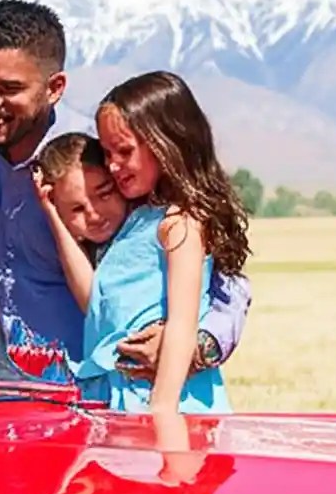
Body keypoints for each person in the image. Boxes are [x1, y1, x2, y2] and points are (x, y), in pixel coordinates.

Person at [0, 0, 251, 383]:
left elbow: (224, 280)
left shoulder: (101, 157)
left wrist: (196, 344)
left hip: (99, 389)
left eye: (9, 88)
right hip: (10, 386)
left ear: (55, 88)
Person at [59, 70, 252, 414]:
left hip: (160, 402)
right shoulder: (136, 220)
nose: (113, 166)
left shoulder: (179, 223)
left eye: (124, 151)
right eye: (106, 153)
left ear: (167, 143)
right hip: (121, 398)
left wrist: (161, 408)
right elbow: (98, 303)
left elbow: (182, 323)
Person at [33, 133, 252, 379]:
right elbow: (94, 303)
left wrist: (193, 346)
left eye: (104, 194)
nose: (94, 214)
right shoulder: (94, 252)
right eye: (77, 209)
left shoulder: (165, 226)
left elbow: (231, 291)